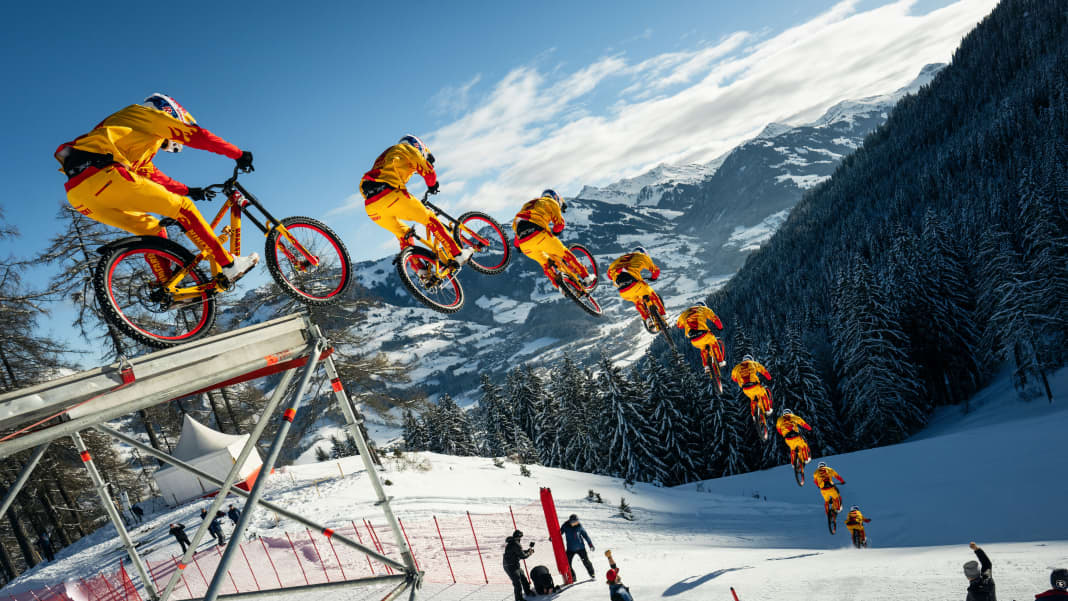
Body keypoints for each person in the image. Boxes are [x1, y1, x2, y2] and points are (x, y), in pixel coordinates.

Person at [55, 93, 259, 285]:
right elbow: (199, 136)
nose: (166, 145)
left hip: (80, 195)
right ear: (170, 111)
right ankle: (229, 265)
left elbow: (155, 176)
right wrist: (238, 154)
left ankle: (167, 283)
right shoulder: (148, 115)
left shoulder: (130, 134)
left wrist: (189, 190)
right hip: (104, 174)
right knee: (183, 208)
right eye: (168, 143)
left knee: (153, 230)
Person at [361, 135, 473, 266]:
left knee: (403, 234)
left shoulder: (386, 157)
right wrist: (432, 185)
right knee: (429, 218)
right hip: (392, 195)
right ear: (418, 146)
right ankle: (458, 254)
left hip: (371, 206)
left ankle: (421, 270)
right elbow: (427, 171)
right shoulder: (408, 149)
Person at [512, 190, 595, 288]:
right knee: (564, 253)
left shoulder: (527, 206)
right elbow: (559, 224)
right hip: (539, 235)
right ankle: (586, 276)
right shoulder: (551, 202)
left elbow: (516, 243)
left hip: (524, 244)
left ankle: (561, 288)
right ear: (557, 198)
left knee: (546, 264)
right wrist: (556, 232)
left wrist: (519, 246)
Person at [608, 247, 665, 332]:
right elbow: (656, 271)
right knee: (651, 293)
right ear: (645, 253)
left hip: (623, 292)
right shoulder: (642, 256)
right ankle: (663, 314)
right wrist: (653, 278)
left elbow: (609, 276)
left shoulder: (618, 261)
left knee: (637, 300)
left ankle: (647, 320)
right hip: (635, 285)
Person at [674, 302, 725, 376]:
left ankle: (707, 367)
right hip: (703, 335)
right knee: (714, 343)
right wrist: (720, 327)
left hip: (694, 339)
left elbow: (679, 325)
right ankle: (720, 362)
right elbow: (715, 318)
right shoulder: (704, 309)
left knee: (703, 349)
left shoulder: (686, 312)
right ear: (703, 306)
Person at [731, 354, 774, 419]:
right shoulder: (754, 363)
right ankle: (768, 410)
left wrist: (740, 380)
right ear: (751, 359)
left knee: (753, 399)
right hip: (754, 385)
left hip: (745, 389)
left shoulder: (737, 367)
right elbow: (763, 371)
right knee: (763, 393)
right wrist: (769, 378)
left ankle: (754, 415)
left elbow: (734, 378)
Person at [560, 514, 595, 580]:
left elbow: (585, 536)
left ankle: (592, 574)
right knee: (567, 563)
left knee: (586, 561)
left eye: (577, 521)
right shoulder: (565, 526)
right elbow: (559, 533)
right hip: (570, 549)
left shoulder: (579, 526)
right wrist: (553, 537)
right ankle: (573, 576)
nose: (576, 523)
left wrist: (590, 545)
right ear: (570, 521)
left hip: (581, 548)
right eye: (574, 522)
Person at [502, 529, 534, 601]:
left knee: (523, 578)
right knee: (517, 583)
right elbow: (523, 556)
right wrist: (529, 553)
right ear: (518, 537)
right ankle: (519, 599)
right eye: (520, 537)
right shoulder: (516, 544)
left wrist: (528, 551)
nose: (521, 539)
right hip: (510, 566)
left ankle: (527, 591)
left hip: (514, 565)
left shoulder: (513, 543)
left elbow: (518, 552)